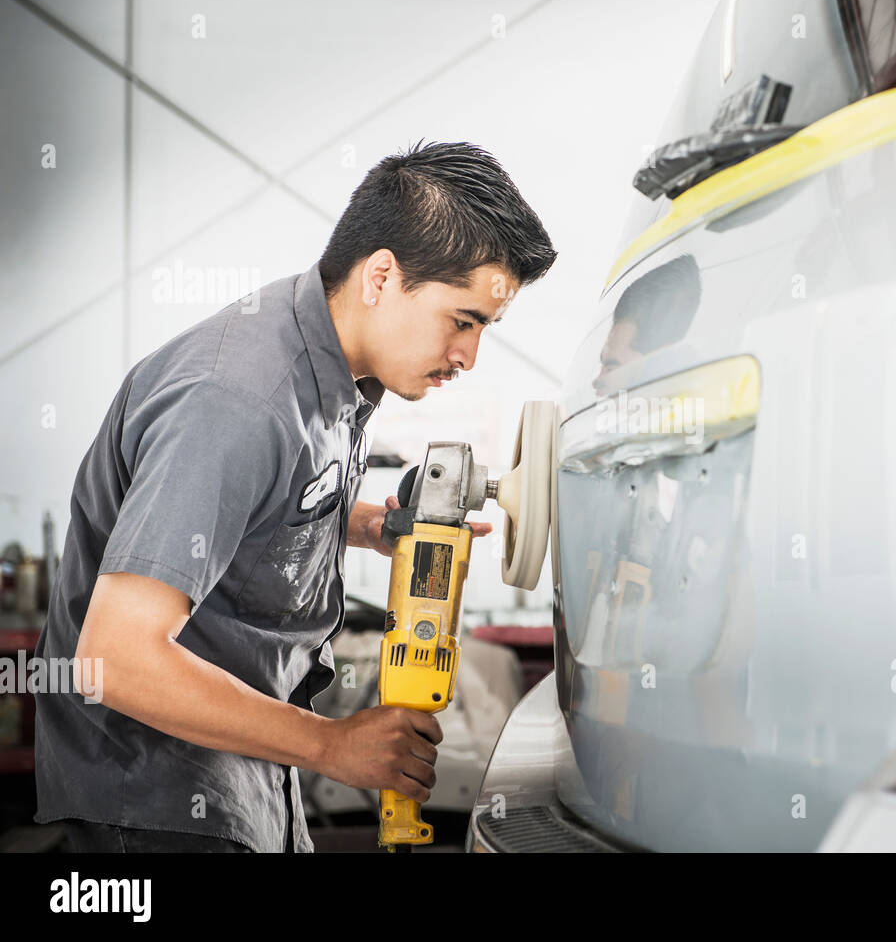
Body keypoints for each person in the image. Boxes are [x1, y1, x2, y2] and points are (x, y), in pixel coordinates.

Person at [32, 140, 557, 852]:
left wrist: (363, 523)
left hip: (248, 777)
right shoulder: (239, 397)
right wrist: (329, 744)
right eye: (462, 321)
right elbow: (118, 657)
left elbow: (252, 502)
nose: (468, 356)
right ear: (380, 276)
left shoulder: (330, 373)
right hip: (154, 806)